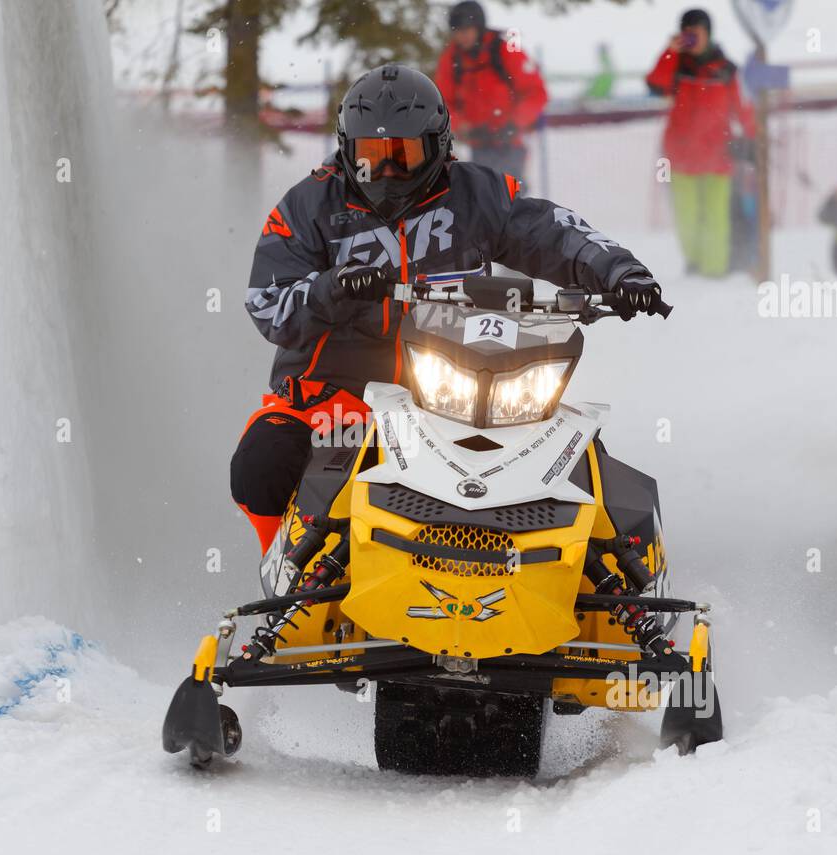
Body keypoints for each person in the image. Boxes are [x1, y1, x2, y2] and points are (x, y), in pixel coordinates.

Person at [232, 64, 665, 551]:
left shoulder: (476, 194)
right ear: (346, 147)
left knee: (576, 454)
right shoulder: (307, 207)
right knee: (260, 462)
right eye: (372, 155)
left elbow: (553, 232)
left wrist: (617, 272)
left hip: (462, 386)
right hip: (337, 395)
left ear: (437, 146)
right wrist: (334, 288)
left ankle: (618, 582)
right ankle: (287, 574)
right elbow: (267, 304)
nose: (387, 171)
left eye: (404, 155)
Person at [646, 8, 755, 277]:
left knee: (716, 217)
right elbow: (655, 84)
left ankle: (715, 270)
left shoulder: (727, 71)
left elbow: (744, 109)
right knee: (687, 218)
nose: (692, 39)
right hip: (681, 157)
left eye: (697, 33)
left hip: (718, 156)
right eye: (687, 34)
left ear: (708, 33)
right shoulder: (676, 66)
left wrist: (752, 139)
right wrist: (670, 51)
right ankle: (694, 263)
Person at [434, 1, 548, 180]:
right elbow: (442, 102)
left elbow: (536, 93)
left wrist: (514, 124)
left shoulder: (506, 51)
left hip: (511, 145)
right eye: (456, 31)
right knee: (481, 196)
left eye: (466, 30)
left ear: (478, 28)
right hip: (479, 145)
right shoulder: (451, 59)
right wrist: (461, 126)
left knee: (510, 195)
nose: (461, 36)